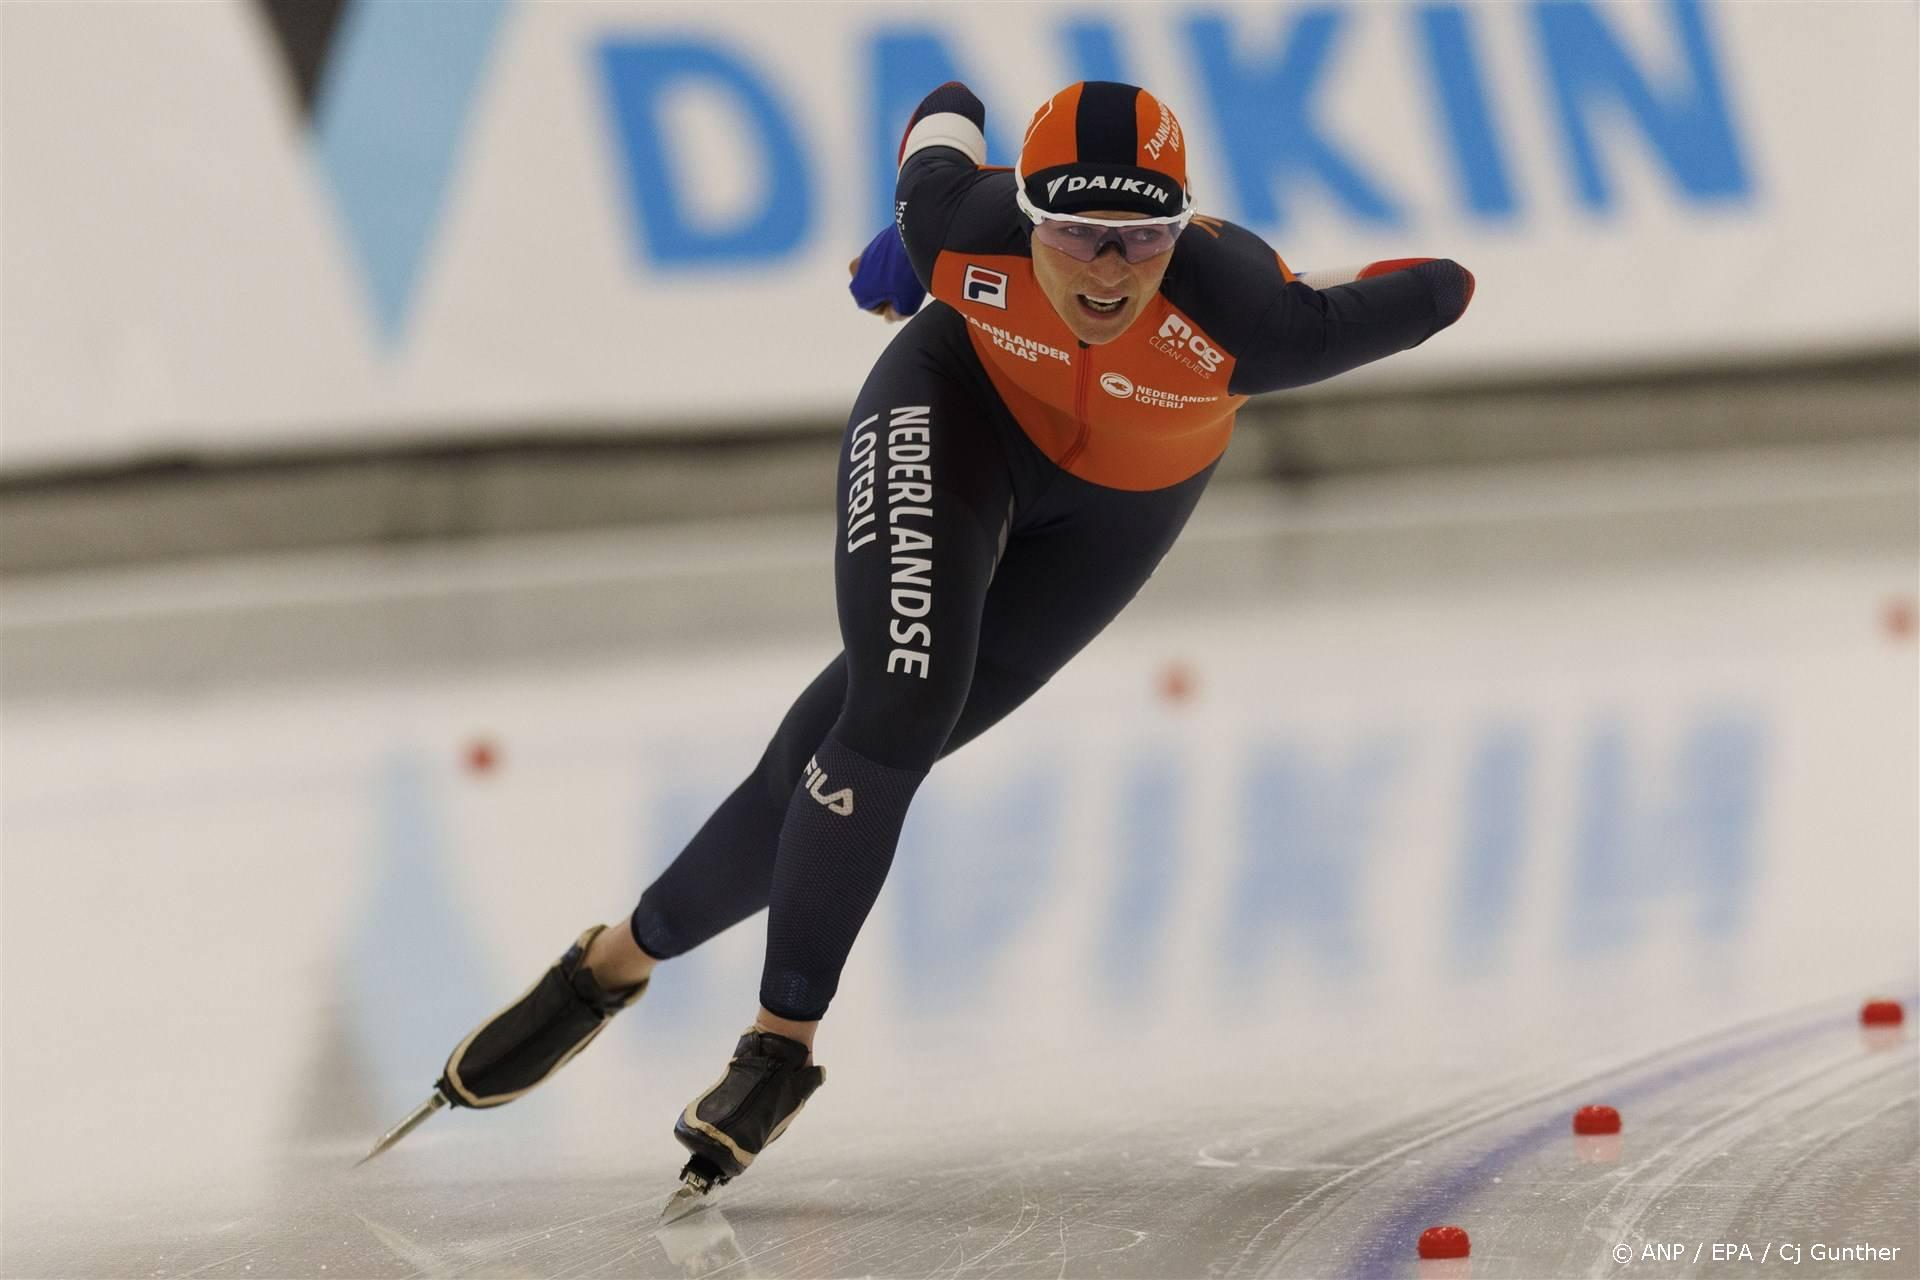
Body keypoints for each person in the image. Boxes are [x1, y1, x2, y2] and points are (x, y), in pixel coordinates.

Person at [370, 80, 1474, 1203]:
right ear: (1026, 213)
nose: (1107, 270)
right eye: (1078, 232)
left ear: (1181, 226)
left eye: (1142, 238)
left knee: (846, 751)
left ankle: (612, 963)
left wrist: (1314, 295)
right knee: (896, 708)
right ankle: (781, 1047)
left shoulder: (1248, 319)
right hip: (954, 414)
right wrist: (914, 243)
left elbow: (1442, 289)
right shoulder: (959, 224)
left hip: (1118, 508)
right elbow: (948, 108)